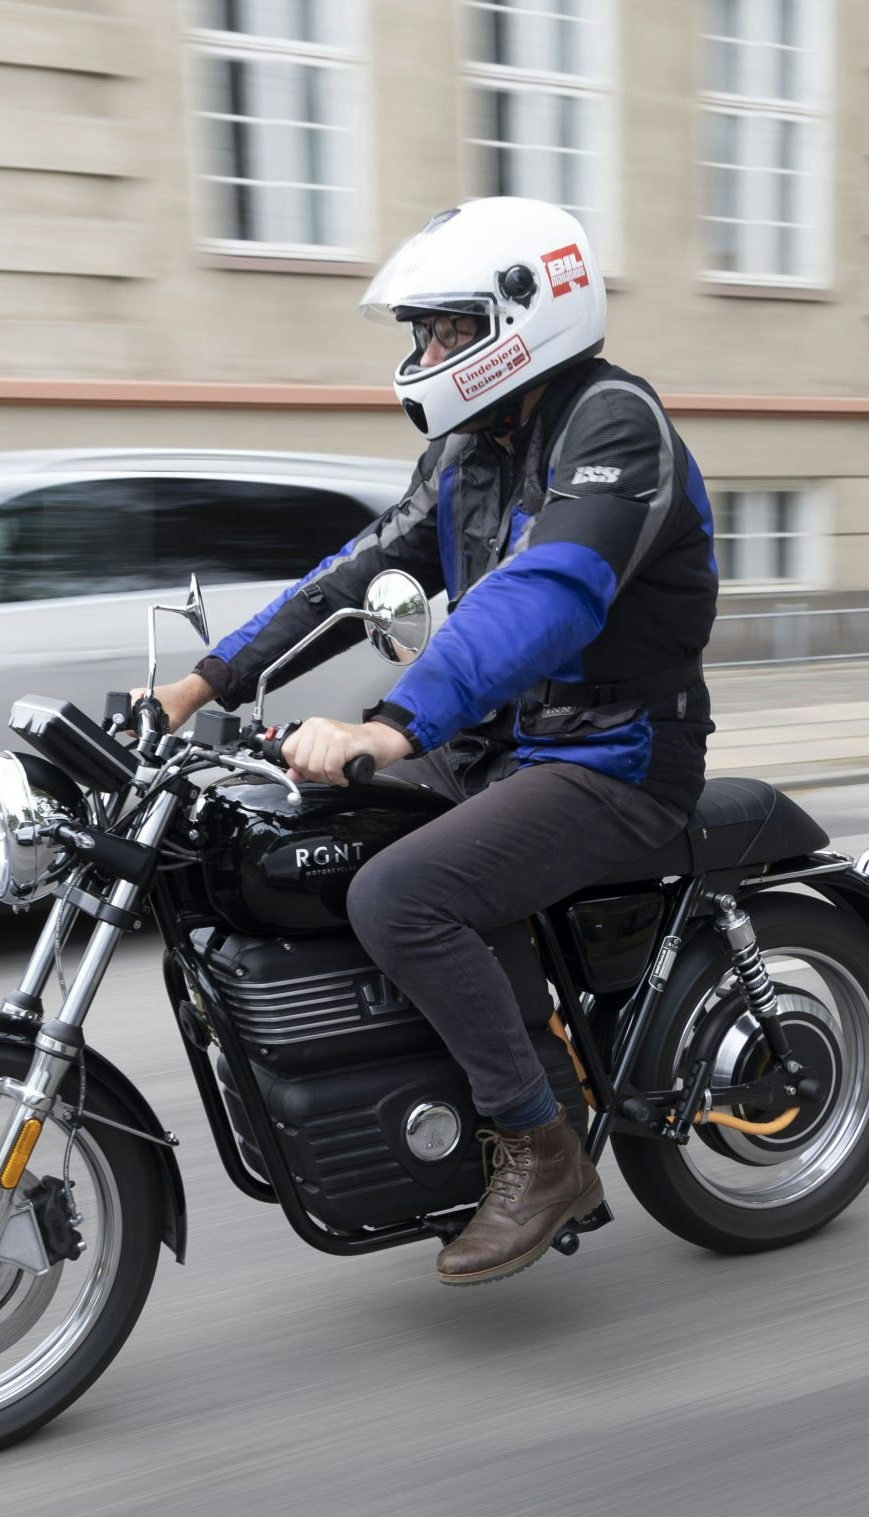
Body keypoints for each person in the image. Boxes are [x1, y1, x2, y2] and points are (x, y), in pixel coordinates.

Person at [146, 197, 717, 1286]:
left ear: (526, 312)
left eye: (445, 329)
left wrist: (393, 724)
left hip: (615, 756)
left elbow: (548, 594)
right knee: (312, 844)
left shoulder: (610, 426)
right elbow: (358, 573)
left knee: (401, 894)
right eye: (421, 333)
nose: (425, 354)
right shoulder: (472, 451)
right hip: (510, 747)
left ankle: (540, 1148)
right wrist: (200, 683)